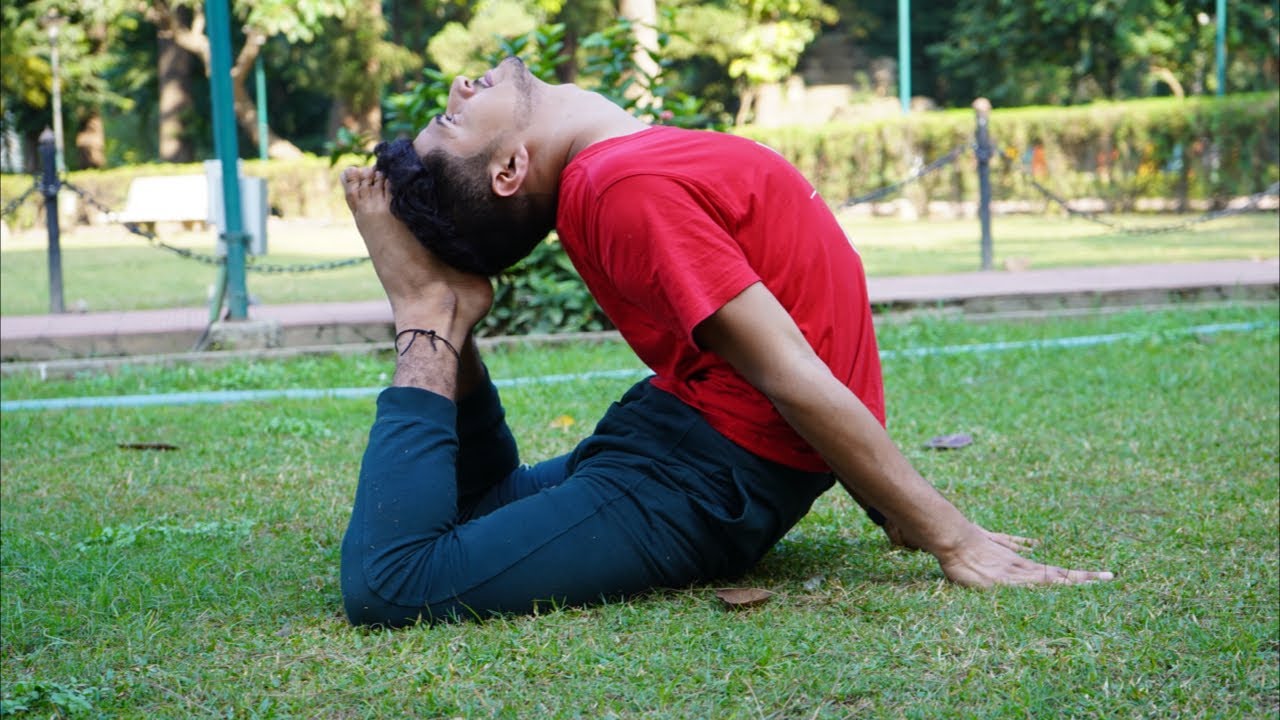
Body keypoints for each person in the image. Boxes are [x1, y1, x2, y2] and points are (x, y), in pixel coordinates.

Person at [337, 57, 1112, 628]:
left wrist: (898, 512)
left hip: (689, 456)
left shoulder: (621, 174)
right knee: (396, 578)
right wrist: (954, 538)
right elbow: (789, 371)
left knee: (452, 515)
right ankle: (432, 313)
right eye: (453, 118)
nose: (459, 89)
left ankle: (440, 308)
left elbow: (802, 340)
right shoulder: (622, 188)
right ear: (510, 168)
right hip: (689, 477)